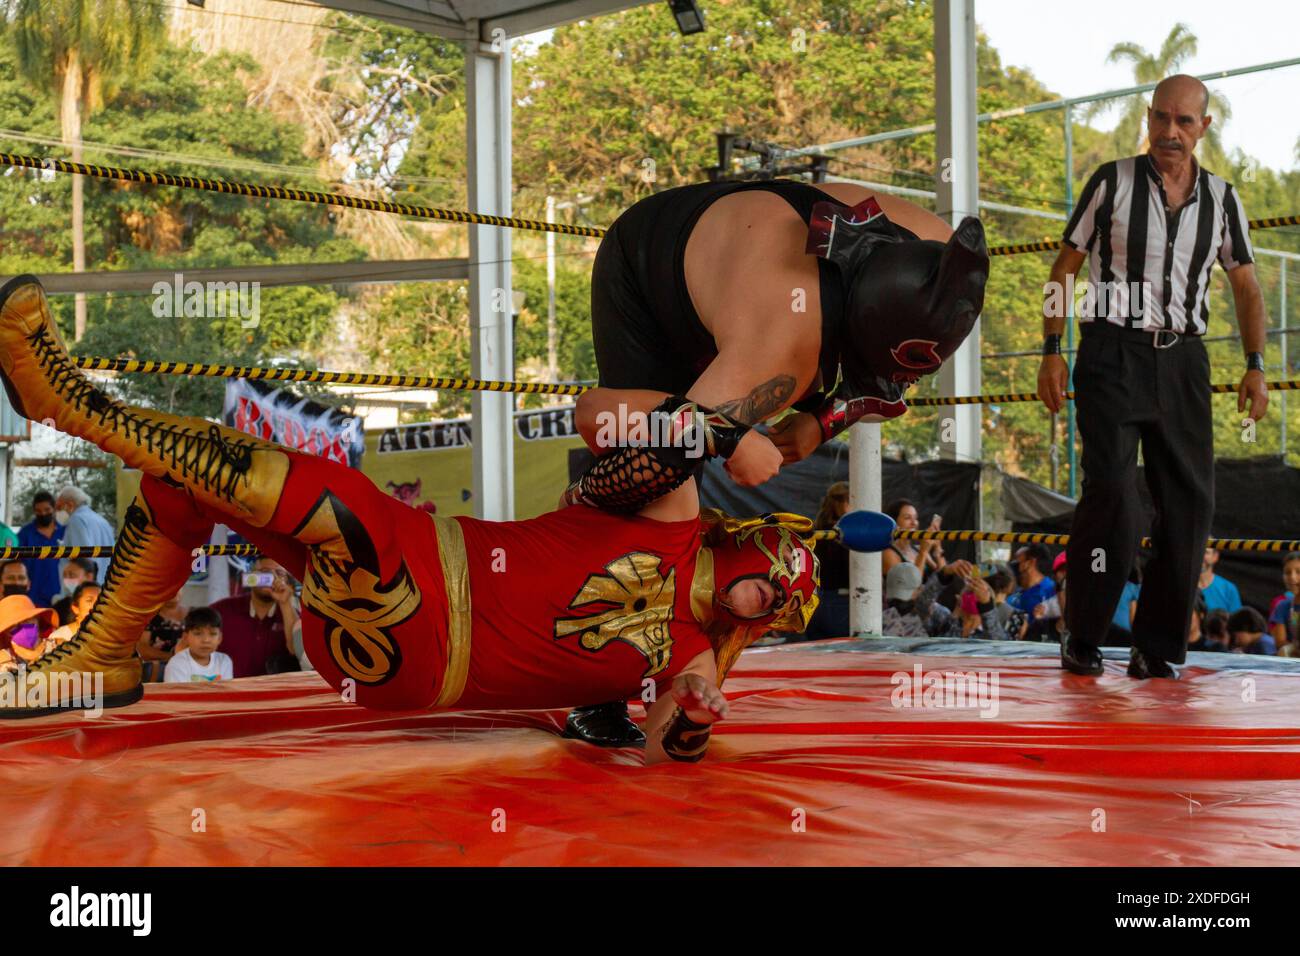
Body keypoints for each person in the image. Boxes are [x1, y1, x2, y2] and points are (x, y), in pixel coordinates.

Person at [0, 275, 819, 766]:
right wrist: (726, 429)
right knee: (187, 488)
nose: (776, 594)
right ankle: (104, 656)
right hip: (396, 601)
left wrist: (691, 727)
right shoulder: (671, 513)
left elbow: (666, 735)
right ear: (748, 535)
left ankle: (70, 407)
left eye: (787, 604)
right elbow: (614, 418)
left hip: (416, 639)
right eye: (785, 570)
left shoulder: (692, 655)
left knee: (341, 502)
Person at [562, 178, 990, 745]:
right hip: (650, 267)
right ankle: (590, 672)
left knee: (704, 452)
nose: (774, 595)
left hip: (742, 259)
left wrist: (823, 420)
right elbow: (656, 431)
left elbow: (888, 388)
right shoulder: (780, 346)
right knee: (662, 490)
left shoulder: (937, 253)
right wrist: (735, 439)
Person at [1041, 74, 1268, 681]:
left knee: (1190, 502)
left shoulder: (1223, 199)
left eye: (1184, 122)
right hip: (1111, 353)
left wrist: (1255, 365)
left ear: (1203, 128)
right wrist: (1051, 349)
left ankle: (1158, 646)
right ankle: (1083, 635)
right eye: (1162, 118)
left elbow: (1245, 283)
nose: (1171, 132)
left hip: (1185, 360)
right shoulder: (1111, 180)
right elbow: (1065, 265)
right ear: (1148, 117)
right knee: (1113, 496)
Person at [210, 556, 300, 678]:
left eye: (279, 573)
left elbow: (297, 651)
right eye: (265, 572)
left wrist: (285, 603)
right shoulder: (220, 609)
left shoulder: (292, 615)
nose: (273, 578)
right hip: (228, 690)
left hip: (275, 692)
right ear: (251, 577)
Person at [803, 482, 849, 641]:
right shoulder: (842, 535)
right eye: (852, 501)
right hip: (840, 604)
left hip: (815, 603)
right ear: (843, 504)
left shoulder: (818, 530)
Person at [55, 485, 116, 584]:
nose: (57, 512)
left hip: (88, 588)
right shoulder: (101, 520)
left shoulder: (76, 520)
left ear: (70, 505)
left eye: (59, 507)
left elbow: (82, 558)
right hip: (108, 585)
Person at [17, 490, 65, 608]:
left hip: (61, 595)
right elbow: (17, 564)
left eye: (47, 510)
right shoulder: (25, 534)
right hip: (32, 596)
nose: (43, 514)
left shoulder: (64, 532)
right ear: (34, 511)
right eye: (38, 511)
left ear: (54, 509)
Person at [880, 499, 947, 582]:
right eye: (907, 518)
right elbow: (908, 588)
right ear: (894, 523)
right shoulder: (888, 553)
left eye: (915, 518)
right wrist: (923, 551)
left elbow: (942, 578)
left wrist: (937, 546)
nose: (914, 523)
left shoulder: (917, 549)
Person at [164, 607, 233, 683]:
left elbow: (227, 692)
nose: (206, 640)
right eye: (198, 634)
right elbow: (177, 694)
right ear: (185, 637)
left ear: (219, 638)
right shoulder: (177, 664)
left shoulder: (224, 661)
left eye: (213, 634)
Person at [136, 596, 188, 682]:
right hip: (156, 672)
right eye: (169, 586)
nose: (175, 591)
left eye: (178, 587)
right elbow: (142, 649)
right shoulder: (148, 615)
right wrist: (173, 657)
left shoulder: (193, 614)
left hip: (189, 670)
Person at [46, 581, 101, 646]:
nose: (96, 604)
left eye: (100, 599)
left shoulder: (109, 634)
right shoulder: (59, 636)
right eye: (89, 600)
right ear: (75, 608)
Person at [1267, 553, 1300, 655]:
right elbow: (1280, 642)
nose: (1292, 577)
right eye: (1287, 572)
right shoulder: (1283, 606)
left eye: (1298, 572)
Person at [51, 557, 98, 626]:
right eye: (65, 575)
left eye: (72, 575)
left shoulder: (107, 600)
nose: (67, 580)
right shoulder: (60, 607)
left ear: (89, 576)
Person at [1198, 548, 1243, 614]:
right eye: (1197, 551)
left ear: (1215, 556)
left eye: (1205, 552)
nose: (1200, 556)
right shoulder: (1184, 587)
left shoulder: (1228, 589)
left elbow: (1236, 622)